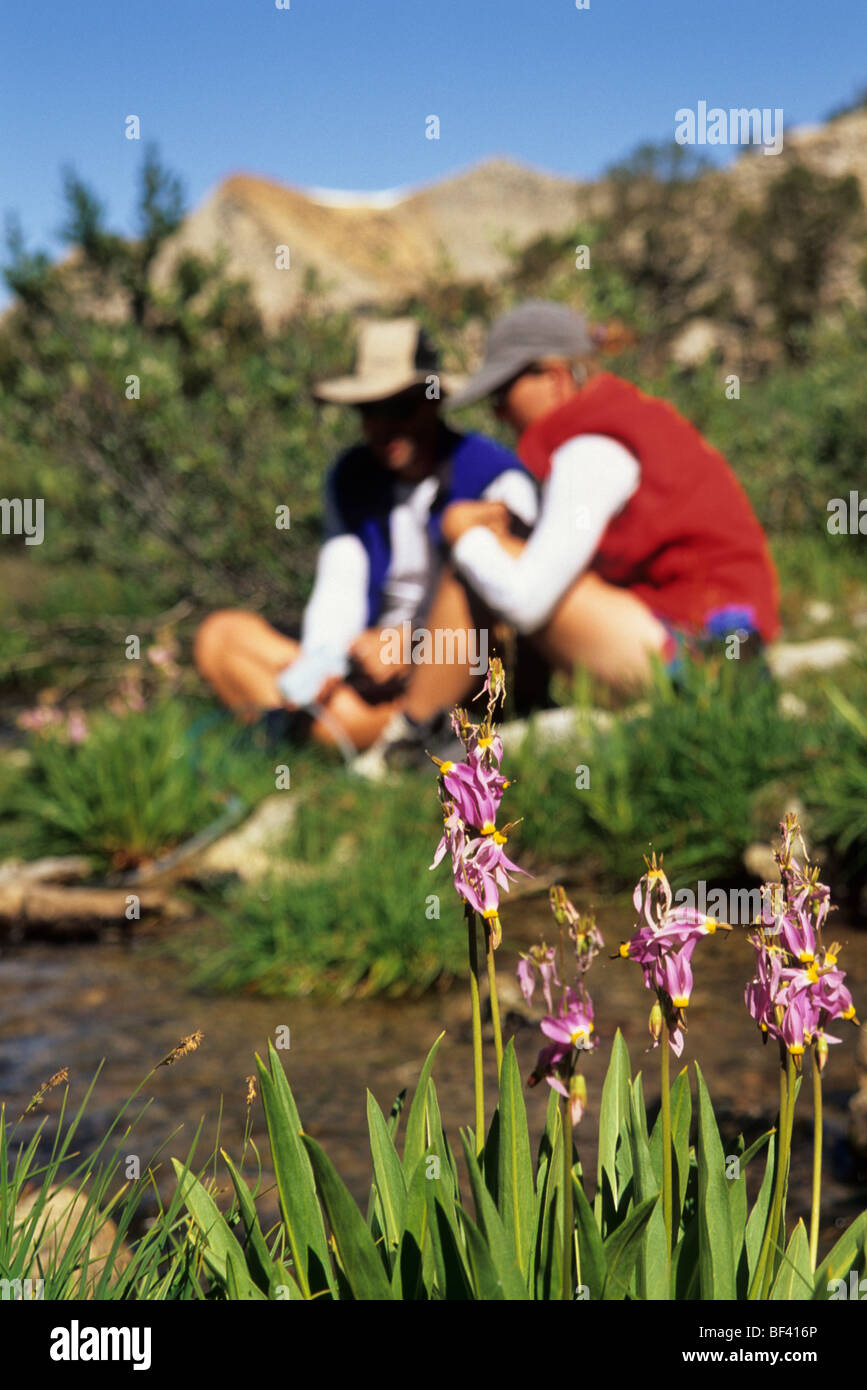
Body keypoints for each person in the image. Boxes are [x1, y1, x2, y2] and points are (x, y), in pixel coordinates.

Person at [360, 300, 780, 757]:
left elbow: (527, 600)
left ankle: (407, 739)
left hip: (691, 650)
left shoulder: (590, 448)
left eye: (502, 395)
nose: (499, 414)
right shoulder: (624, 423)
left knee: (480, 565)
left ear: (555, 378)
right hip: (706, 635)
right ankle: (432, 726)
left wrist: (464, 534)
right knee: (499, 556)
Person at [193, 318, 537, 752]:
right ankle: (344, 723)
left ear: (433, 402)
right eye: (370, 411)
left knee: (335, 710)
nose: (383, 427)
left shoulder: (496, 478)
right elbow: (340, 584)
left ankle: (354, 729)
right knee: (220, 637)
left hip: (454, 659)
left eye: (399, 408)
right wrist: (322, 662)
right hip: (366, 660)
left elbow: (511, 612)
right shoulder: (350, 477)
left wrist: (412, 649)